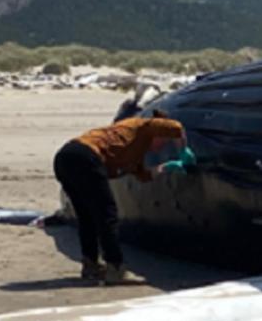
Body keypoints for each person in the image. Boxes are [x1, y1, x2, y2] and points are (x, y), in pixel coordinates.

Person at [52, 113, 187, 285]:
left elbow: (144, 175)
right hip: (86, 157)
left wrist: (168, 167)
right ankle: (115, 268)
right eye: (163, 141)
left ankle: (91, 266)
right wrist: (183, 150)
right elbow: (177, 127)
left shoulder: (134, 152)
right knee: (106, 214)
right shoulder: (143, 127)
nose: (161, 148)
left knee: (86, 216)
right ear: (158, 133)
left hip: (65, 158)